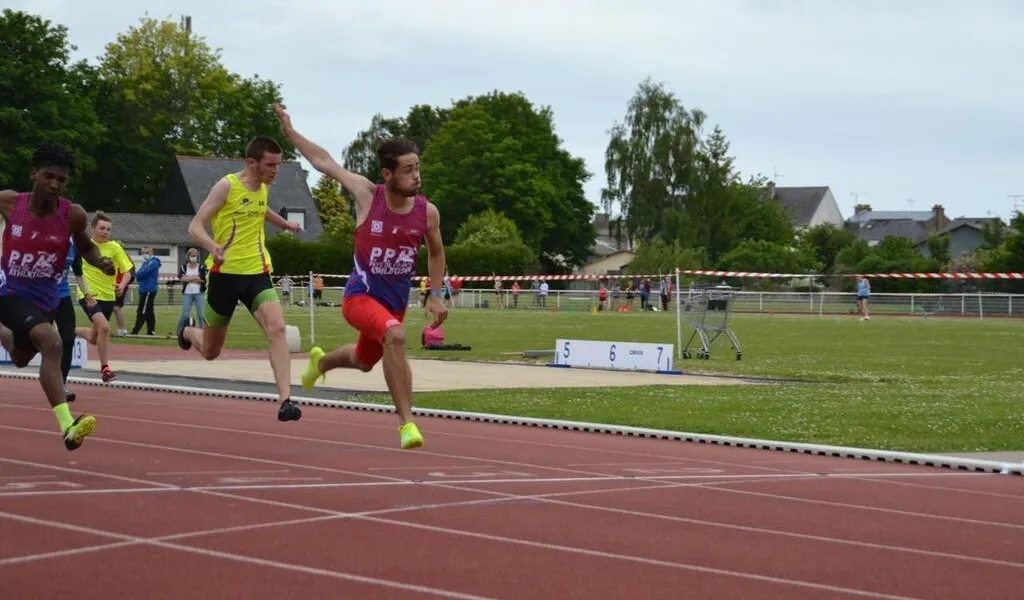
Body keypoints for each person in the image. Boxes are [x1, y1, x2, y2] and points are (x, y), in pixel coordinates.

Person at [273, 103, 448, 450]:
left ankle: (320, 362)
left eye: (418, 169)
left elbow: (438, 252)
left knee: (364, 361)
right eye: (408, 170)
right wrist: (292, 135)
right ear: (387, 174)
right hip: (359, 297)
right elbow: (325, 162)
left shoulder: (427, 212)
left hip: (393, 304)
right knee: (395, 337)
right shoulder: (368, 196)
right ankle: (406, 423)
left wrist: (437, 293)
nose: (417, 176)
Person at [176, 136, 304, 422]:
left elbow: (260, 209)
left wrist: (284, 224)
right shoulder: (227, 186)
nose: (276, 171)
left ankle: (286, 401)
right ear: (251, 163)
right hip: (224, 275)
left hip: (257, 272)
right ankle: (187, 331)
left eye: (278, 165)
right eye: (270, 165)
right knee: (210, 351)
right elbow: (195, 225)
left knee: (278, 328)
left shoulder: (263, 188)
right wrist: (212, 247)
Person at [0, 142, 116, 450]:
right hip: (10, 292)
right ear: (34, 173)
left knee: (21, 357)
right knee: (52, 343)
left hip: (46, 298)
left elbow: (86, 246)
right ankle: (68, 426)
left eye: (61, 180)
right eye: (49, 177)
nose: (54, 185)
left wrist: (99, 261)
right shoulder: (10, 203)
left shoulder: (73, 215)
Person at [73, 212, 134, 383]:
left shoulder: (114, 247)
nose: (105, 232)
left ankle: (72, 330)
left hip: (108, 296)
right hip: (88, 295)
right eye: (102, 228)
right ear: (93, 228)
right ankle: (105, 369)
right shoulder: (84, 245)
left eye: (108, 229)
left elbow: (127, 271)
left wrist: (122, 285)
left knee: (94, 337)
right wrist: (85, 292)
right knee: (105, 328)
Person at [130, 246, 161, 335]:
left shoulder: (153, 262)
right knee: (149, 311)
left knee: (142, 311)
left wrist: (140, 274)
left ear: (151, 252)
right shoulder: (145, 263)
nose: (145, 254)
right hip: (143, 289)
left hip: (149, 290)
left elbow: (142, 273)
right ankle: (151, 331)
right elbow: (138, 274)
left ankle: (135, 330)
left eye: (147, 252)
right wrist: (139, 274)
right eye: (143, 253)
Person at [176, 246, 207, 334]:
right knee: (185, 314)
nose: (194, 257)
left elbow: (202, 279)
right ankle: (180, 332)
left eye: (195, 256)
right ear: (188, 256)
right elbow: (182, 278)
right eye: (192, 255)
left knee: (201, 314)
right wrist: (195, 278)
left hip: (199, 293)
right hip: (187, 293)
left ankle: (203, 332)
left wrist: (189, 278)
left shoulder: (201, 267)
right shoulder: (184, 267)